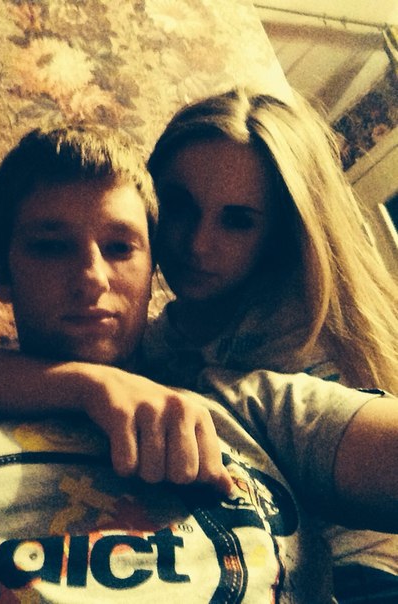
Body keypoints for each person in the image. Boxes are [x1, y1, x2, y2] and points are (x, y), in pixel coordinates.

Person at [0, 125, 397, 603]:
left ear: (151, 266)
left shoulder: (251, 403)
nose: (92, 278)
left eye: (120, 247)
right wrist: (87, 385)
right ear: (3, 273)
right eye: (51, 246)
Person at [143, 87, 398, 601]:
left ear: (279, 234)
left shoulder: (307, 338)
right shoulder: (161, 336)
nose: (197, 244)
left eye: (237, 220)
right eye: (179, 206)